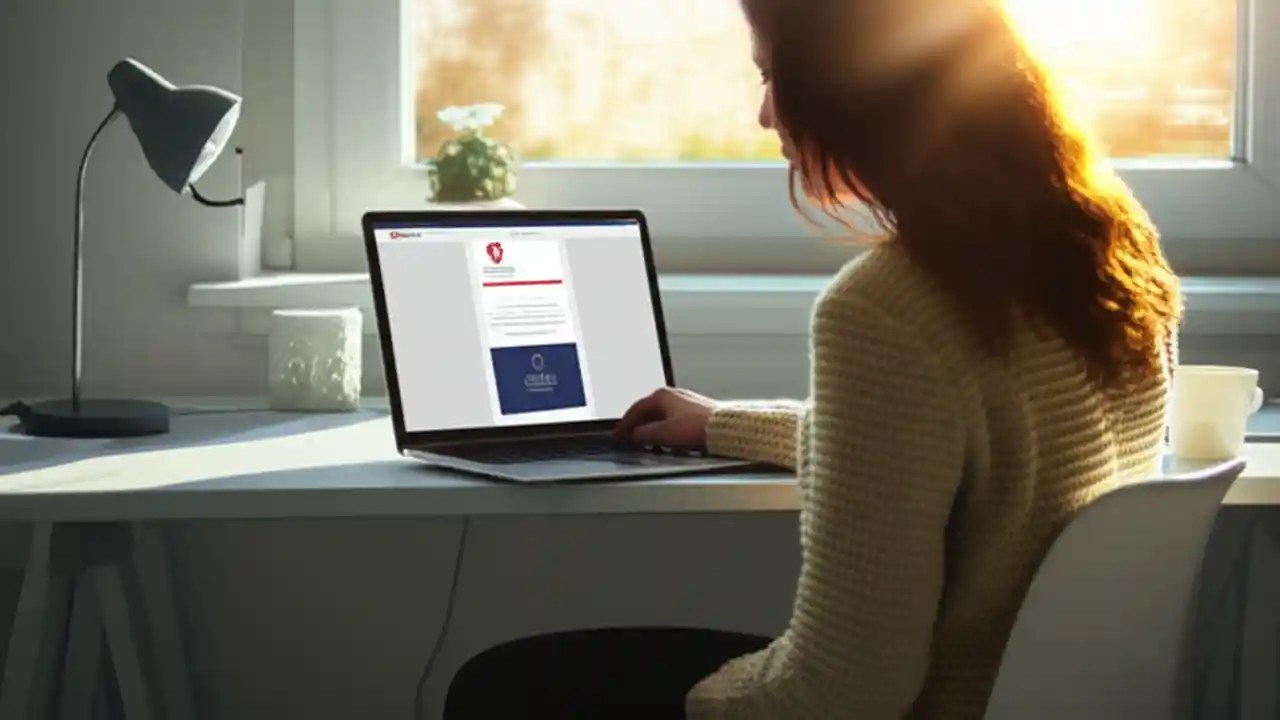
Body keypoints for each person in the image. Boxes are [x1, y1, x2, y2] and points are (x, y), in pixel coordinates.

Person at [444, 0, 1181, 717]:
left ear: (850, 87)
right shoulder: (1111, 246)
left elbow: (848, 693)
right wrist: (722, 426)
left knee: (501, 688)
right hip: (1029, 694)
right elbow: (947, 460)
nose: (766, 115)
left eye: (770, 77)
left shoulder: (888, 310)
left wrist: (702, 702)